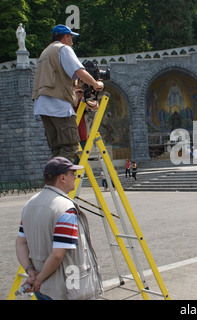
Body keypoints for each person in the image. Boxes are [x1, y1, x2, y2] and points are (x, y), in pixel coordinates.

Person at [15, 157, 103, 300]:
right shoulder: (65, 208)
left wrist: (31, 271)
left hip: (42, 288)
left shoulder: (29, 204)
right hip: (66, 289)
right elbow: (57, 254)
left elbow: (20, 243)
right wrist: (39, 280)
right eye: (72, 173)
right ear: (62, 177)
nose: (75, 177)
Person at [32, 25, 104, 163]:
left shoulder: (45, 52)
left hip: (42, 105)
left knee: (57, 148)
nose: (72, 40)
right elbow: (79, 72)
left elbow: (52, 79)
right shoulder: (63, 49)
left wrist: (72, 91)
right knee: (70, 146)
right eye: (71, 37)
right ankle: (60, 182)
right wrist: (96, 84)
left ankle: (52, 180)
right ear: (66, 37)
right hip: (58, 105)